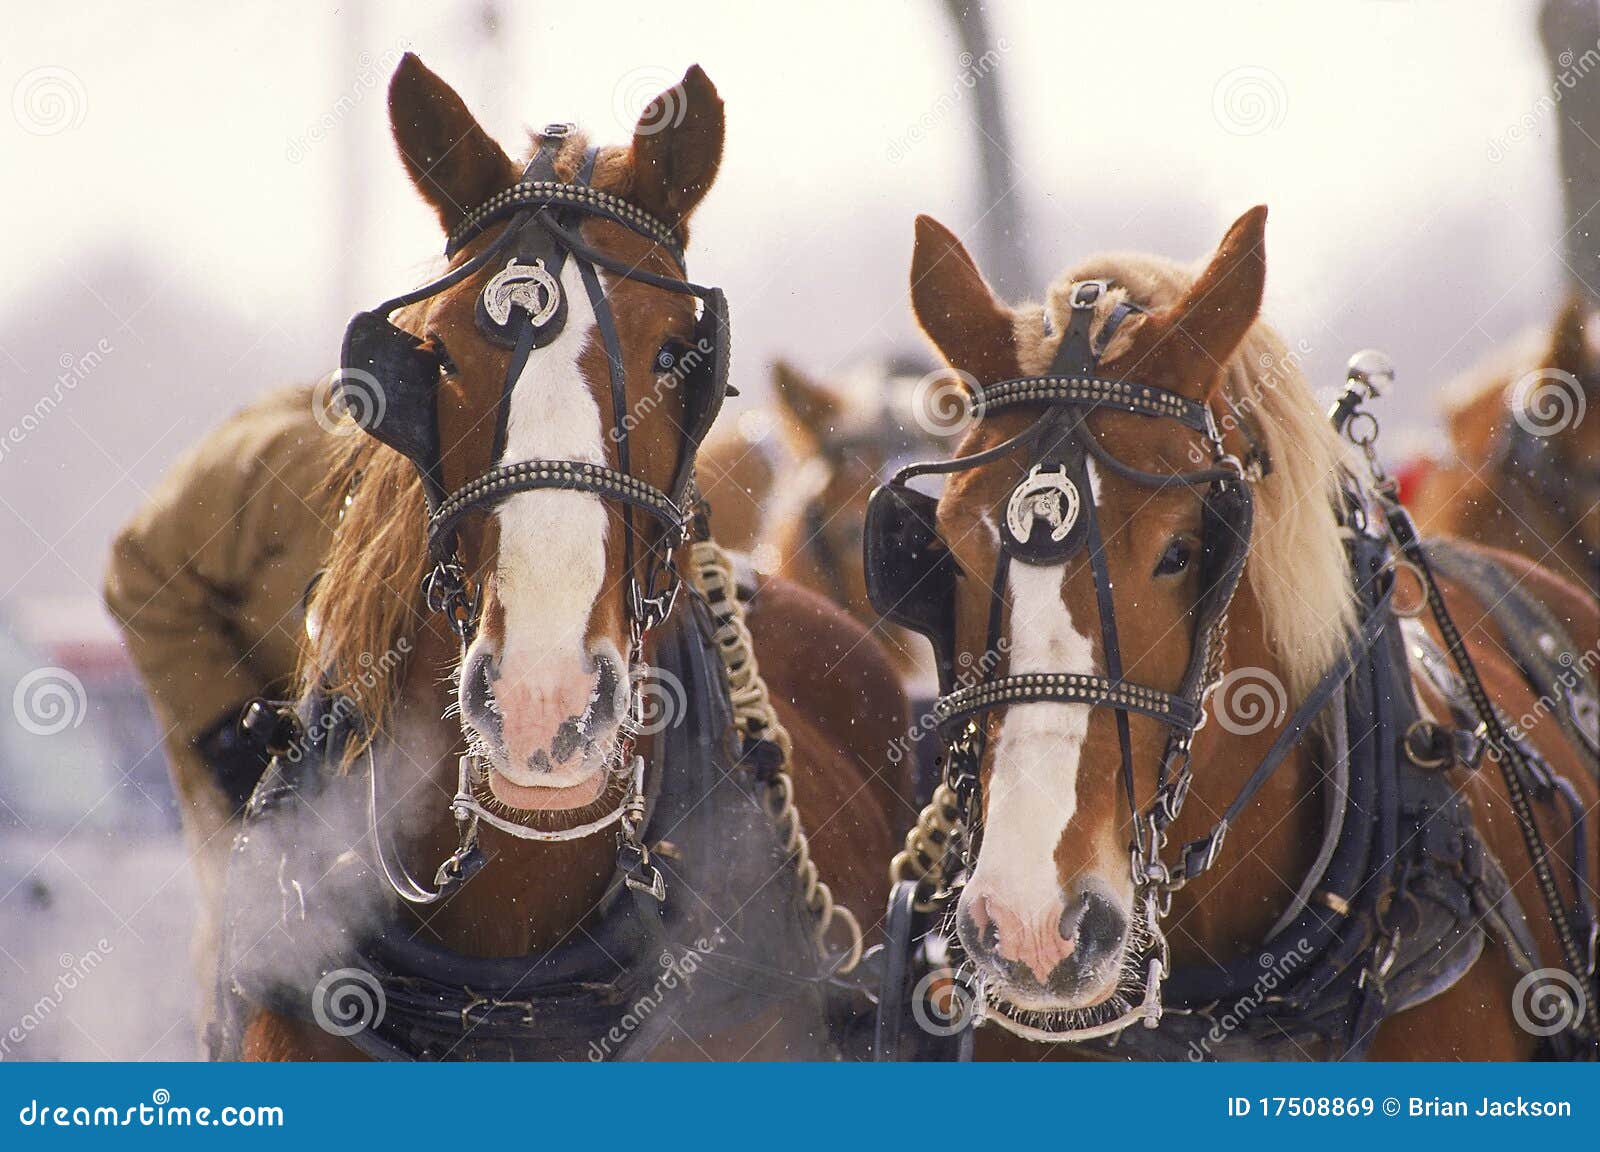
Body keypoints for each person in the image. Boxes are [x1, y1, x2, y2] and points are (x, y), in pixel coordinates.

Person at [102, 383, 337, 1052]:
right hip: (250, 783)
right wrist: (227, 728)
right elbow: (139, 568)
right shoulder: (287, 456)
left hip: (383, 806)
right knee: (257, 979)